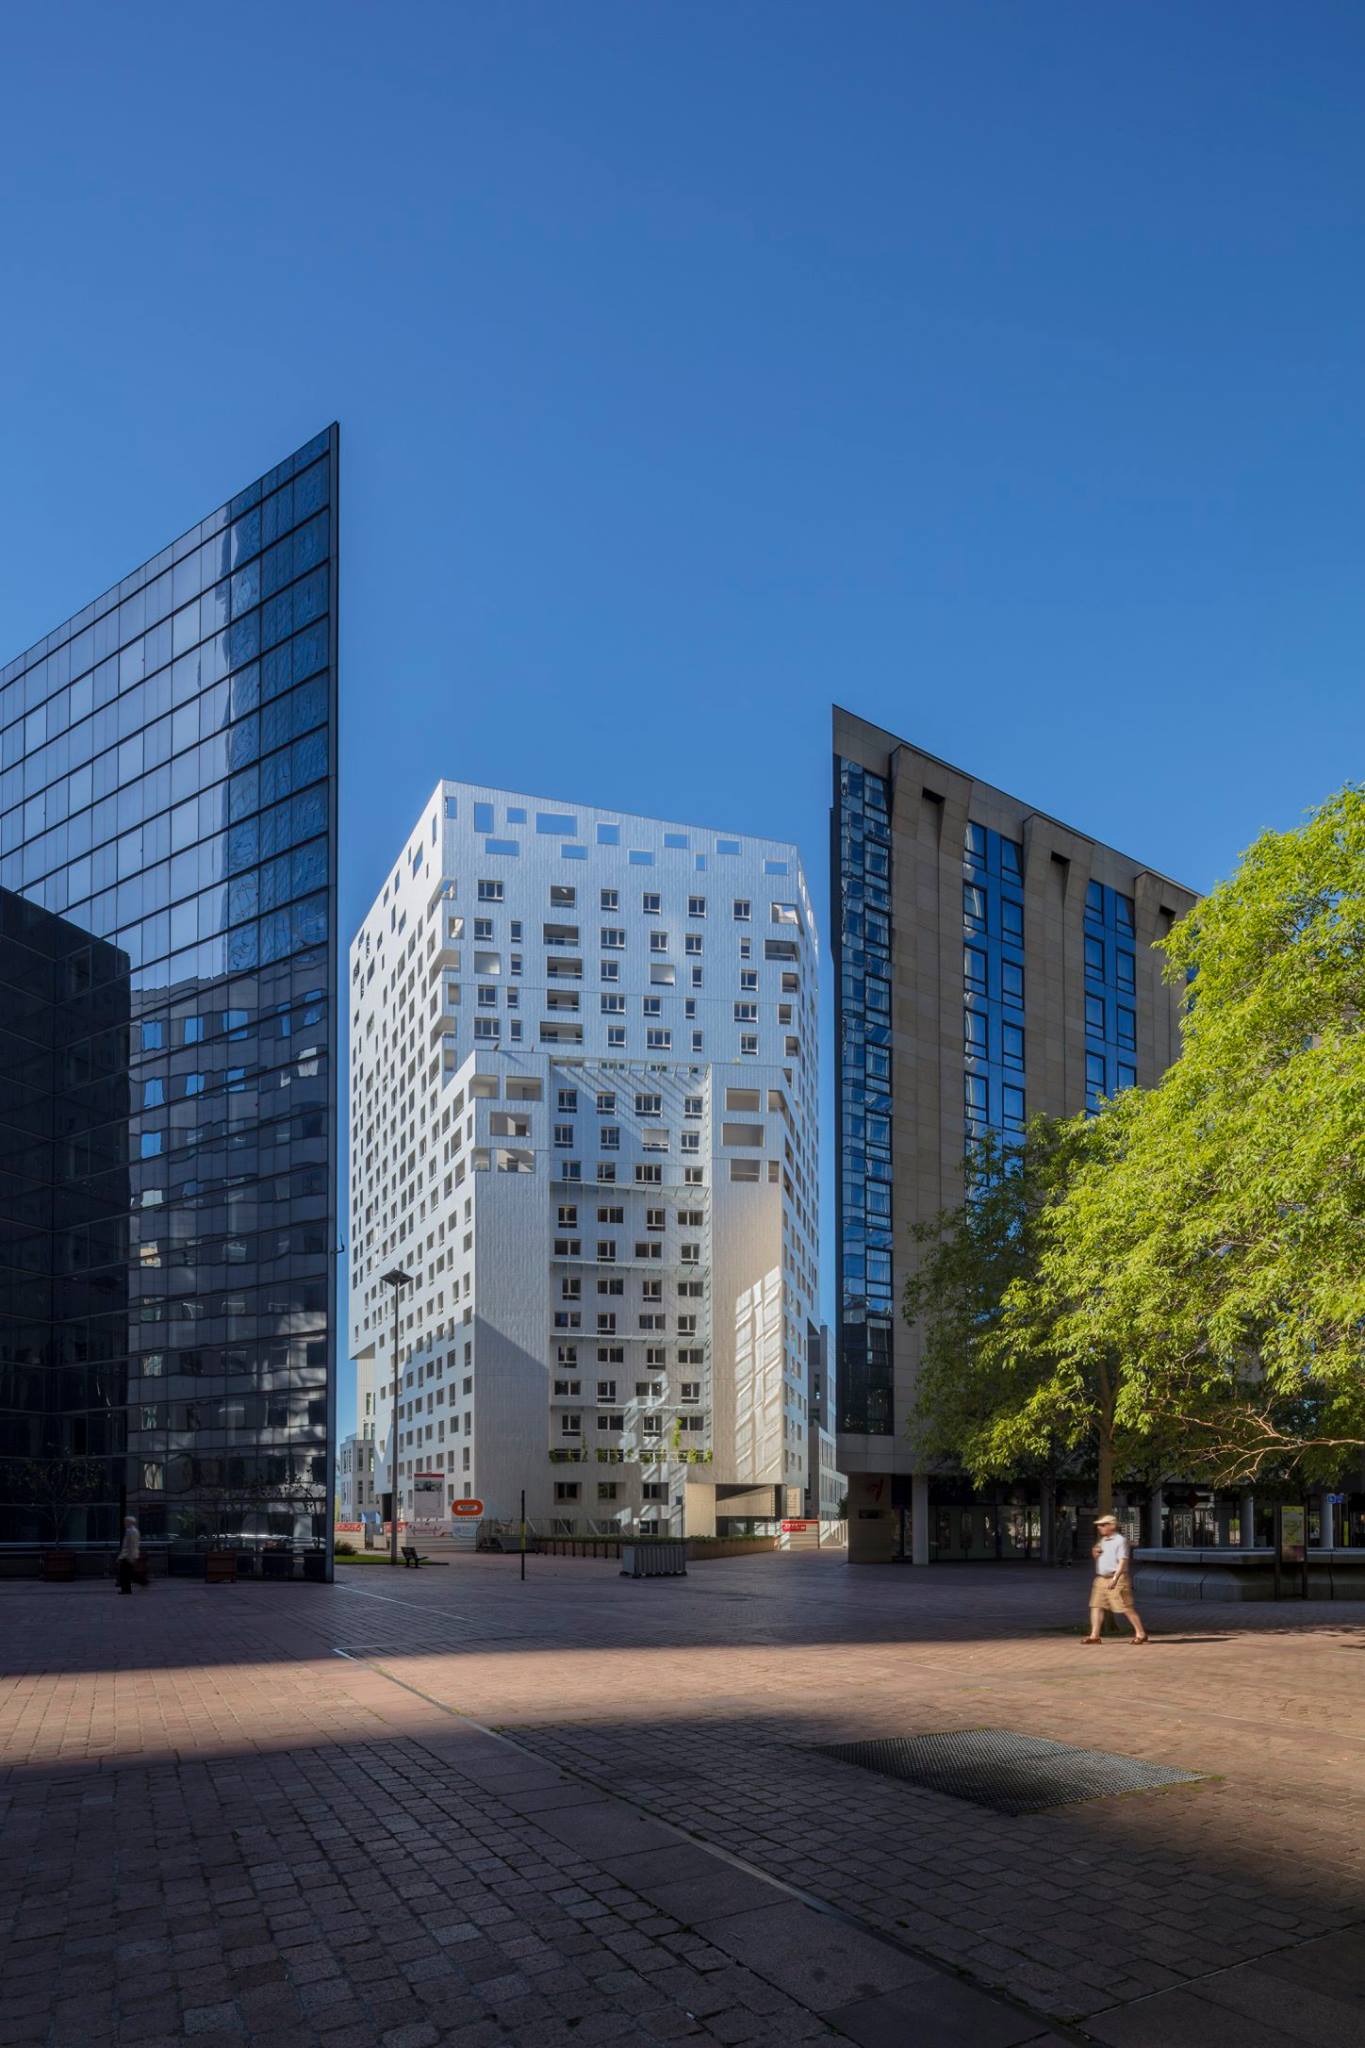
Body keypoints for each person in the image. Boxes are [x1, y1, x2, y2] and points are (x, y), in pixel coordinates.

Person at [1083, 1512, 1149, 1643]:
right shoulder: (1103, 1540)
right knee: (1096, 1606)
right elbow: (1098, 1556)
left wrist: (1115, 1579)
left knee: (1125, 1607)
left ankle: (1141, 1634)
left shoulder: (1120, 1541)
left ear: (1111, 1526)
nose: (1099, 1527)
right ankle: (1094, 1636)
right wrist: (1094, 1553)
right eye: (1099, 1525)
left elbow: (1122, 1562)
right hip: (1101, 1578)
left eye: (1102, 1525)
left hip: (1117, 1578)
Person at [116, 1516, 142, 1595]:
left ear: (130, 1522)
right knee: (125, 1574)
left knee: (125, 1574)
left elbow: (130, 1546)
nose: (124, 1523)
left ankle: (126, 1589)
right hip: (128, 1555)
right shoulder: (133, 1531)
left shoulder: (131, 1531)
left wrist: (128, 1557)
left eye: (126, 1521)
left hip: (127, 1556)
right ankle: (126, 1589)